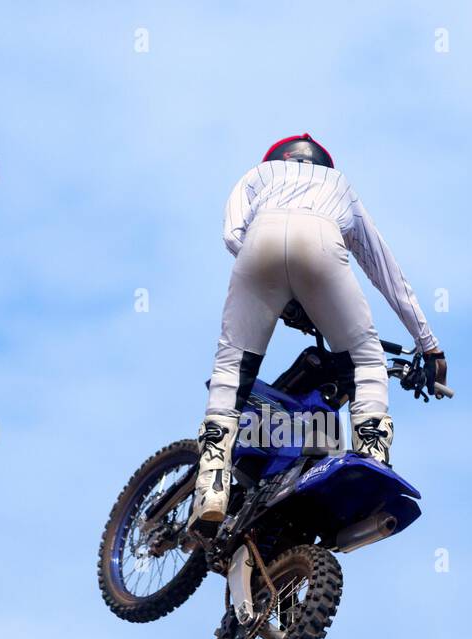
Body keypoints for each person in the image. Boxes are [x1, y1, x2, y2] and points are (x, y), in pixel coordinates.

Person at [191, 133, 447, 529]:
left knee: (232, 368)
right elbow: (385, 270)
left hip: (259, 245)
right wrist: (429, 348)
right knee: (365, 362)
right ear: (322, 165)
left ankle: (211, 484)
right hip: (323, 244)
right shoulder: (340, 184)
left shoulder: (257, 174)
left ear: (278, 158)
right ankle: (371, 460)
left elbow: (231, 235)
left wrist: (281, 294)